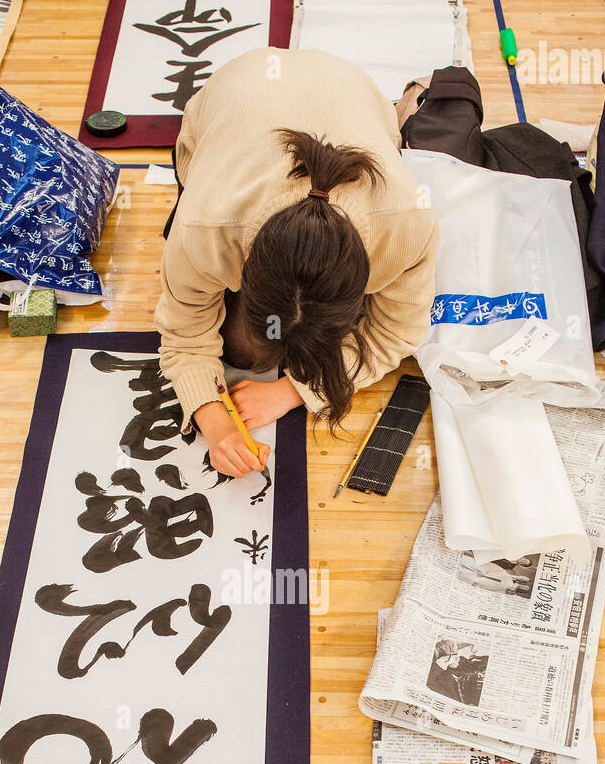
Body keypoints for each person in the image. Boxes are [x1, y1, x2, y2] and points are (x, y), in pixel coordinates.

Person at [155, 48, 438, 477]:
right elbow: (185, 334)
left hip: (349, 81)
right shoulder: (204, 230)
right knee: (245, 352)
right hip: (235, 85)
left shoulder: (406, 227)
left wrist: (295, 389)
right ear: (245, 271)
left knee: (292, 354)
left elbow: (395, 330)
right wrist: (213, 421)